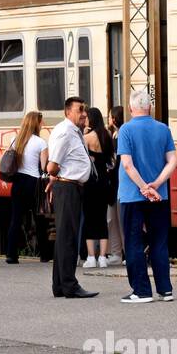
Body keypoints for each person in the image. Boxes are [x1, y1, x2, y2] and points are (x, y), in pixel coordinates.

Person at [116, 89, 177, 304]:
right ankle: (165, 289)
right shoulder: (163, 129)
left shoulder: (126, 130)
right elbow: (172, 161)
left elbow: (127, 164)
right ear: (150, 107)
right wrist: (157, 185)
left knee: (133, 242)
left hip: (133, 196)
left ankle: (141, 291)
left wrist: (143, 187)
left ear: (132, 108)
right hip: (159, 196)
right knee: (159, 242)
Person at [46, 96, 96, 298]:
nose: (84, 113)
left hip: (71, 187)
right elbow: (52, 164)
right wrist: (55, 176)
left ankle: (59, 284)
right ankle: (70, 285)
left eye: (84, 109)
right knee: (68, 238)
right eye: (80, 109)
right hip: (67, 187)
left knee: (65, 237)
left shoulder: (74, 132)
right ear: (68, 112)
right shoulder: (65, 132)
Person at [5, 111, 48, 264]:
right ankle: (44, 255)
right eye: (41, 122)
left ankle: (11, 255)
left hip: (18, 182)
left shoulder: (16, 139)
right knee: (40, 219)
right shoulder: (41, 142)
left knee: (15, 219)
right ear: (36, 123)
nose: (43, 125)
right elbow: (44, 166)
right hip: (34, 183)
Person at [82, 107, 116, 269]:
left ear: (91, 119)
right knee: (102, 220)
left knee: (89, 219)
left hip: (90, 182)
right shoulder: (107, 136)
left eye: (87, 117)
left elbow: (82, 159)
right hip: (104, 182)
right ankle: (102, 257)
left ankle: (91, 257)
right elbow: (111, 161)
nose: (85, 120)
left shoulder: (86, 137)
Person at [106, 106, 126, 265]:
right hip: (118, 182)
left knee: (116, 220)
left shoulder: (118, 137)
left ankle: (118, 253)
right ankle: (120, 253)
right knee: (118, 219)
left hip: (116, 183)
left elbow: (116, 163)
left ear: (113, 119)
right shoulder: (116, 135)